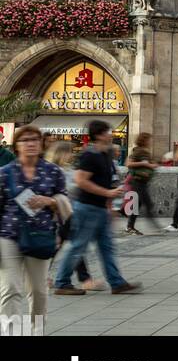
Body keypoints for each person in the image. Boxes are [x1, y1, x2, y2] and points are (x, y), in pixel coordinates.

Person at [53, 119, 140, 296]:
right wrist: (107, 194)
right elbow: (80, 180)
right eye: (108, 131)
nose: (111, 134)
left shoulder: (104, 154)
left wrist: (110, 207)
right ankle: (62, 282)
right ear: (99, 135)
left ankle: (117, 282)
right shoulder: (89, 155)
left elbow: (106, 182)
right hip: (86, 207)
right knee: (78, 246)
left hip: (99, 209)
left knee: (106, 247)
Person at [0, 125, 65, 322]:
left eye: (34, 139)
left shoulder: (53, 171)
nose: (30, 143)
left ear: (41, 144)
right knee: (11, 288)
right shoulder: (5, 173)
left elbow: (65, 201)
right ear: (16, 145)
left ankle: (34, 332)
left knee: (38, 291)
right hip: (9, 235)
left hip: (40, 235)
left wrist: (51, 201)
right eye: (25, 140)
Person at [46, 140, 100, 290]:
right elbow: (64, 191)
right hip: (61, 214)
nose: (72, 154)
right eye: (70, 151)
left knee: (70, 246)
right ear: (61, 153)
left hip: (70, 212)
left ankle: (45, 276)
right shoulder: (54, 170)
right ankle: (84, 279)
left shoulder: (68, 169)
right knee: (75, 245)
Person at [125, 132, 160, 235]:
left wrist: (153, 165)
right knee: (146, 203)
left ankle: (130, 226)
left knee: (138, 204)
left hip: (143, 181)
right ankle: (154, 227)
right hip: (137, 181)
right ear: (144, 140)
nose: (151, 141)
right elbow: (128, 163)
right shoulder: (138, 151)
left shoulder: (146, 152)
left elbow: (149, 164)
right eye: (149, 139)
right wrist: (144, 164)